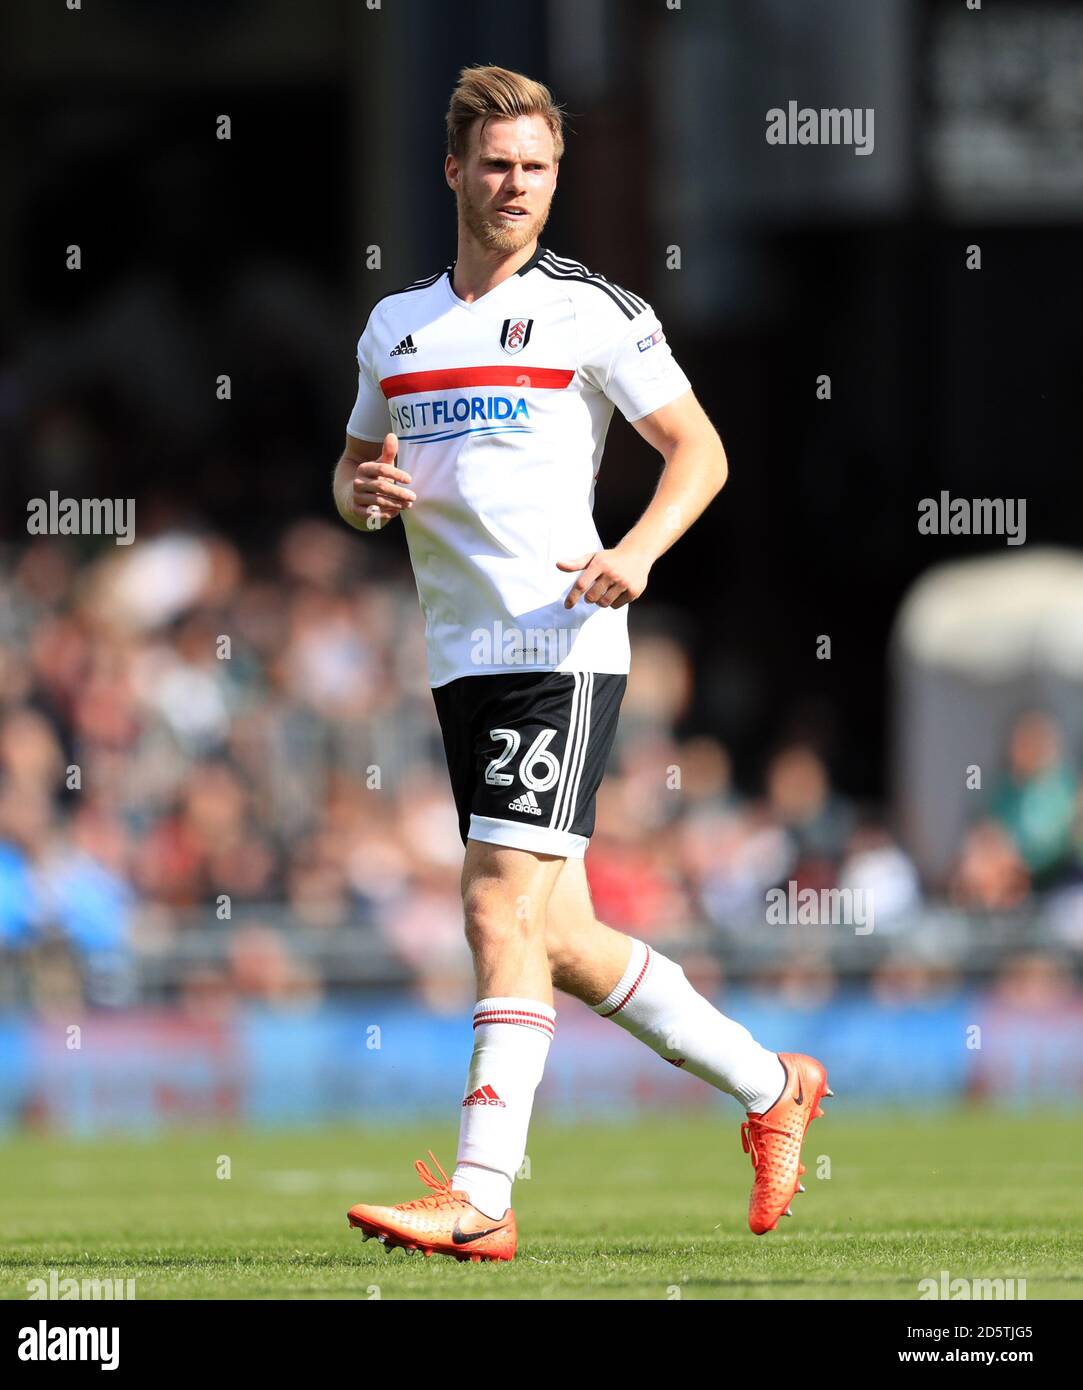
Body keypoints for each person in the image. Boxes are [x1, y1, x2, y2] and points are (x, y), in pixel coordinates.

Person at [333, 65, 830, 1262]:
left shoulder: (592, 311)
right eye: (496, 165)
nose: (516, 187)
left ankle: (481, 1197)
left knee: (491, 901)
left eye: (537, 169)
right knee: (556, 935)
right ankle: (770, 1084)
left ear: (555, 182)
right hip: (459, 660)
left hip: (558, 644)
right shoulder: (395, 325)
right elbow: (353, 479)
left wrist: (637, 551)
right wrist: (362, 493)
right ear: (452, 171)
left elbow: (696, 452)